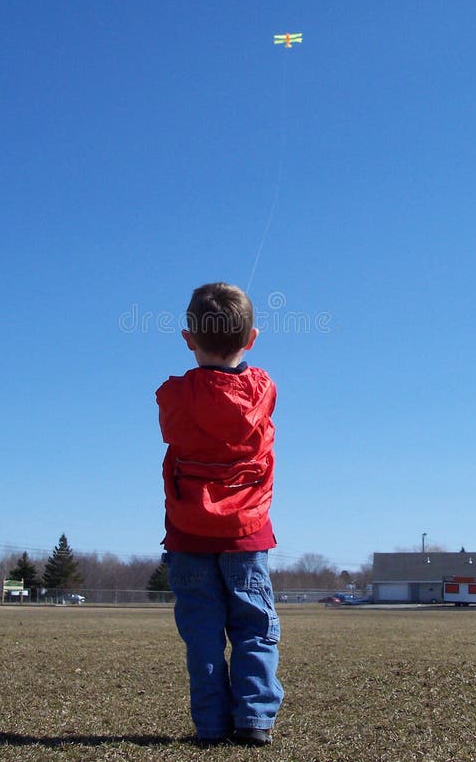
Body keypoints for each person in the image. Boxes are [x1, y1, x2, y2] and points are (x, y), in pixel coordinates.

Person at [157, 282, 283, 747]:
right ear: (250, 339)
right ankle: (254, 719)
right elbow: (252, 390)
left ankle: (210, 726)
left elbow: (179, 410)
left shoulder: (172, 395)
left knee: (203, 634)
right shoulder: (263, 387)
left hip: (188, 533)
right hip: (246, 533)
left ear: (188, 337)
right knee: (254, 626)